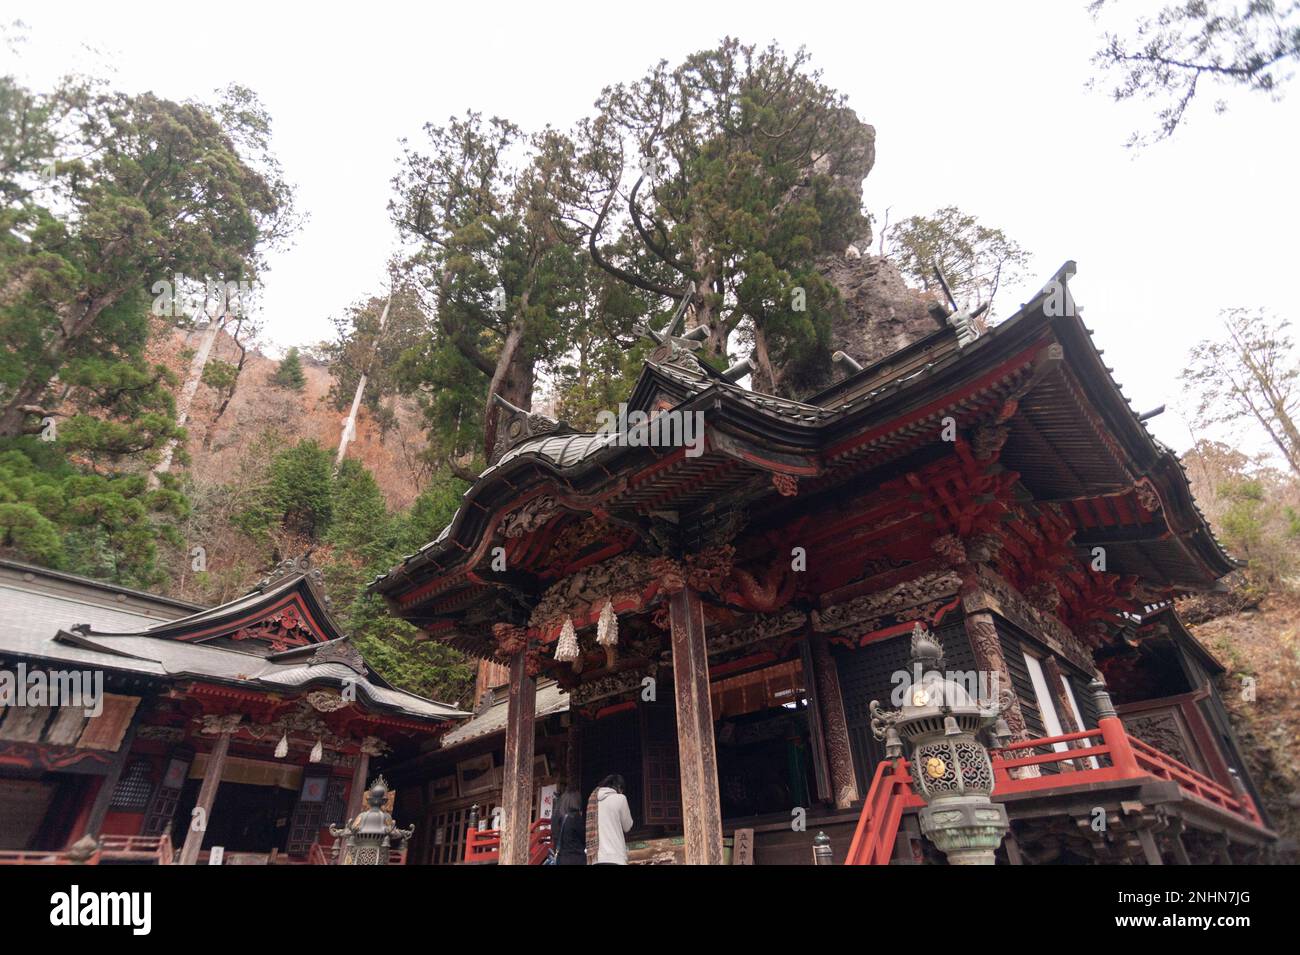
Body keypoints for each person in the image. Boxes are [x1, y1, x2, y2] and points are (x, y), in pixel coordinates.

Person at [585, 774, 633, 865]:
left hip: (597, 859)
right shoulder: (621, 798)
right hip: (616, 857)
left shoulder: (593, 800)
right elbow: (627, 826)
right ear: (619, 787)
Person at [551, 787, 586, 865]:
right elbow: (584, 838)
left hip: (560, 859)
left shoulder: (555, 817)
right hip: (576, 858)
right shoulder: (575, 817)